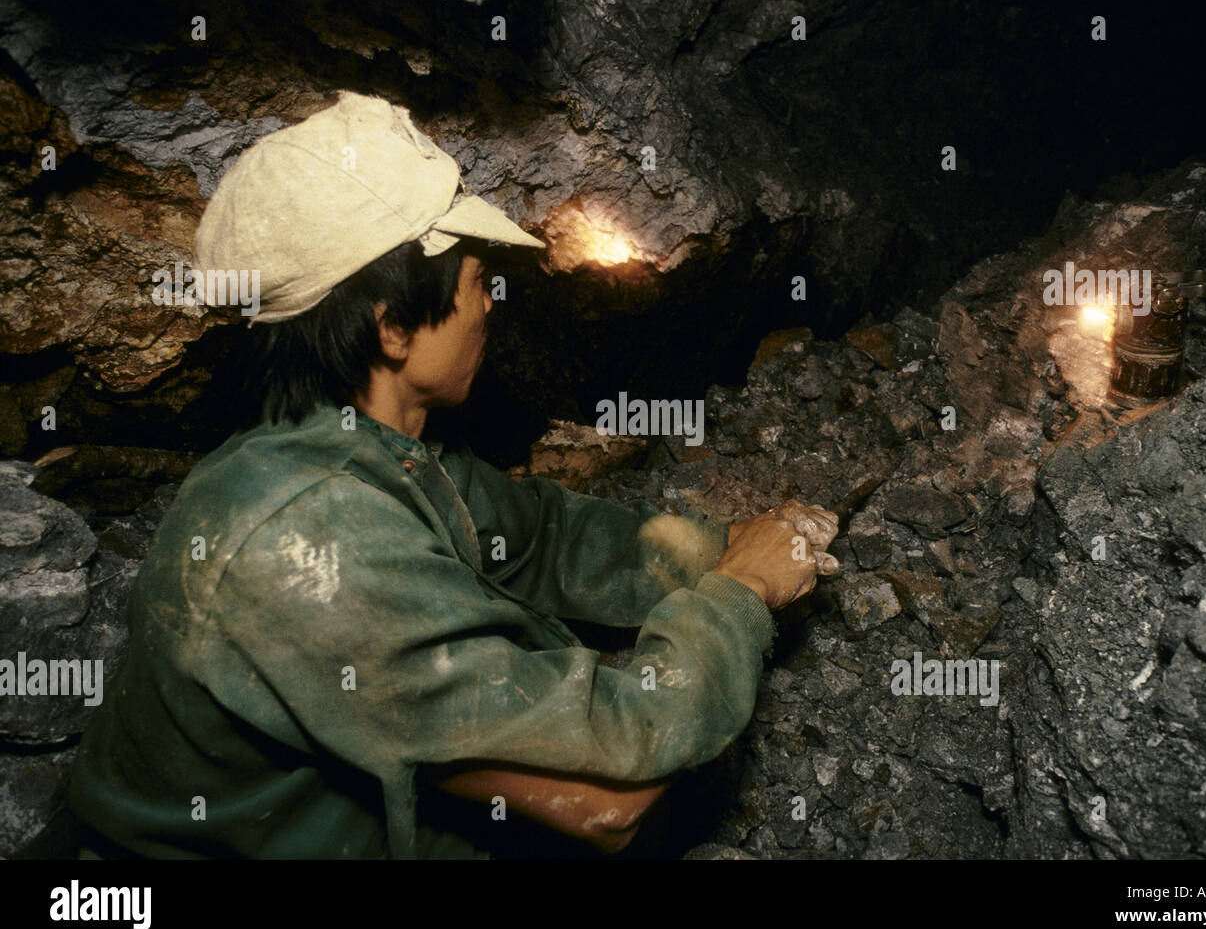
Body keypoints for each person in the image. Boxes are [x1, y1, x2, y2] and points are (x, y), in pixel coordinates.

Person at [69, 91, 840, 858]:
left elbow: (537, 535)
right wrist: (742, 593)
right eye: (477, 282)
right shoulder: (312, 549)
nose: (488, 306)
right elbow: (613, 792)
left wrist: (720, 544)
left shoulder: (364, 442)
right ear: (394, 329)